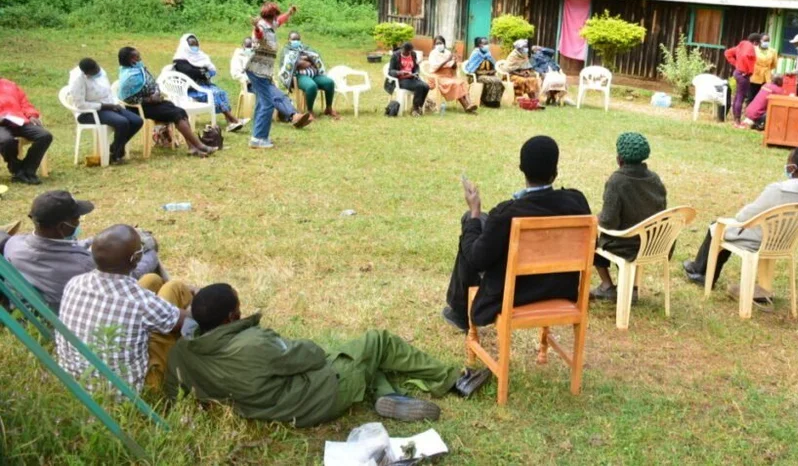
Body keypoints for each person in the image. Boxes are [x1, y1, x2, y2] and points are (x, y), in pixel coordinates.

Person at [165, 283, 491, 425]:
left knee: (361, 359)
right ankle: (455, 380)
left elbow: (175, 395)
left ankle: (386, 396)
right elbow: (311, 356)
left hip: (268, 406)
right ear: (231, 318)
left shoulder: (181, 355)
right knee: (376, 342)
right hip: (316, 398)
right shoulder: (254, 343)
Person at [442, 136, 591, 332]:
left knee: (471, 222)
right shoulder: (577, 203)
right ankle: (459, 309)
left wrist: (475, 212)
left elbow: (476, 259)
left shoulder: (507, 215)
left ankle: (460, 311)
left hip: (515, 292)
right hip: (560, 289)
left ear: (522, 168)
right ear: (555, 172)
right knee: (478, 222)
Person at [682, 146, 798, 307]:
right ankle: (704, 271)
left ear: (793, 168)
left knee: (717, 227)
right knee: (726, 229)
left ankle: (701, 272)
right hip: (785, 241)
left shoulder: (778, 190)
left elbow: (743, 217)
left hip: (758, 239)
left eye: (788, 162)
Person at [56, 224, 192, 392]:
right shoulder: (139, 301)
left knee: (151, 279)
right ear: (135, 259)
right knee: (175, 287)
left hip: (77, 383)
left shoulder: (74, 283)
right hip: (127, 391)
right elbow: (187, 320)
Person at [3, 191, 162, 312]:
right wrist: (149, 251)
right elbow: (126, 275)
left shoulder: (14, 244)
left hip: (35, 309)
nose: (79, 222)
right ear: (62, 227)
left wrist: (99, 239)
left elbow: (70, 246)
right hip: (82, 312)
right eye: (76, 219)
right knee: (151, 278)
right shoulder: (83, 266)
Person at [590, 133, 667, 301]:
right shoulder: (654, 179)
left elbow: (608, 222)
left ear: (619, 158)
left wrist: (596, 219)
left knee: (592, 236)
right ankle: (631, 287)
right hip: (655, 243)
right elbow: (661, 210)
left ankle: (607, 286)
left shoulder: (617, 181)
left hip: (628, 245)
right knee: (629, 231)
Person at [117, 47, 218, 158]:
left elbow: (151, 84)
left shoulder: (137, 70)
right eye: (138, 56)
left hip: (154, 103)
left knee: (181, 111)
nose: (140, 58)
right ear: (132, 60)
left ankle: (192, 148)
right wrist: (151, 99)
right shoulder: (129, 77)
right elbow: (128, 99)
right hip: (141, 108)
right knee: (176, 115)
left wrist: (156, 94)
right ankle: (200, 145)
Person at [246, 2, 311, 149]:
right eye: (276, 15)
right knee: (268, 103)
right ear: (271, 15)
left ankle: (257, 135)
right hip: (257, 70)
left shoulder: (271, 24)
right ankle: (259, 138)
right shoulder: (262, 27)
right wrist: (256, 27)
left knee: (261, 103)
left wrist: (289, 13)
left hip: (263, 71)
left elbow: (280, 21)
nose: (277, 19)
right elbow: (259, 35)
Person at [69, 58, 144, 164]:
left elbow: (108, 91)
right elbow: (80, 104)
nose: (98, 71)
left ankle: (114, 147)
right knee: (122, 122)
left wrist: (114, 104)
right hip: (89, 112)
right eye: (94, 71)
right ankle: (115, 155)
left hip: (109, 105)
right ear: (86, 74)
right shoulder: (77, 80)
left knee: (137, 121)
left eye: (97, 67)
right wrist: (104, 106)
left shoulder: (99, 71)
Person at [172, 34, 248, 133]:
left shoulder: (200, 55)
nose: (194, 46)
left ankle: (229, 121)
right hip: (191, 89)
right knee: (214, 94)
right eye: (191, 44)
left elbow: (211, 71)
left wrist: (201, 72)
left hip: (203, 85)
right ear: (185, 45)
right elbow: (190, 73)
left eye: (195, 43)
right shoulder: (180, 59)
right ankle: (234, 119)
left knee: (221, 92)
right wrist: (202, 71)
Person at [0, 76, 52, 185]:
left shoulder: (10, 85)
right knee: (6, 141)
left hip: (18, 120)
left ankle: (28, 170)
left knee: (44, 135)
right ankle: (17, 169)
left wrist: (32, 115)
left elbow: (24, 103)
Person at [278, 32, 340, 119]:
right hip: (299, 76)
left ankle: (329, 108)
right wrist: (303, 61)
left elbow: (315, 57)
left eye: (297, 39)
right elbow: (291, 64)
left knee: (329, 82)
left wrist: (305, 60)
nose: (296, 41)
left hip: (313, 74)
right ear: (289, 40)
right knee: (311, 86)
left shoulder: (305, 48)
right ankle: (309, 111)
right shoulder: (286, 51)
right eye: (293, 39)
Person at [424, 36, 477, 113]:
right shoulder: (433, 54)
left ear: (444, 44)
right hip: (438, 76)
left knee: (462, 82)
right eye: (437, 43)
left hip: (449, 75)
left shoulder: (448, 53)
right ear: (434, 45)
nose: (439, 45)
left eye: (440, 43)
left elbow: (453, 67)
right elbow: (435, 67)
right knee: (455, 84)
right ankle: (466, 106)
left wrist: (455, 62)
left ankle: (470, 104)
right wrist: (446, 61)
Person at [724, 32, 761, 125]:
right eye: (758, 43)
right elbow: (746, 56)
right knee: (740, 97)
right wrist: (748, 70)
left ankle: (735, 118)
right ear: (755, 42)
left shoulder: (742, 45)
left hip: (737, 72)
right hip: (743, 74)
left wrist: (736, 64)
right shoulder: (750, 47)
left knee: (737, 96)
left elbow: (727, 53)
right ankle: (737, 120)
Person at [388, 41, 431, 116]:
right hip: (401, 80)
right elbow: (390, 71)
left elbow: (416, 67)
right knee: (419, 86)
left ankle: (418, 107)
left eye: (409, 52)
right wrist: (399, 72)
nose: (407, 54)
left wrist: (416, 73)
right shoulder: (395, 55)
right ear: (402, 49)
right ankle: (415, 109)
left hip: (412, 77)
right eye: (406, 52)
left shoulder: (413, 54)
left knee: (426, 86)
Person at [464, 37, 504, 108]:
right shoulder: (476, 54)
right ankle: (487, 101)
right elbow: (471, 69)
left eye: (487, 43)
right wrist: (484, 73)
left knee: (499, 81)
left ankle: (496, 102)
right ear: (479, 45)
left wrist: (492, 71)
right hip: (477, 76)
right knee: (491, 81)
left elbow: (493, 66)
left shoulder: (488, 54)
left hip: (489, 75)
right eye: (484, 44)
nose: (486, 45)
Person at [748, 34, 779, 103]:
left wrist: (766, 69)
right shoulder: (754, 49)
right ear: (760, 41)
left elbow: (774, 64)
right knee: (751, 95)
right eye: (764, 40)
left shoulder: (773, 51)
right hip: (755, 75)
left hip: (766, 77)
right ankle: (749, 111)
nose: (766, 42)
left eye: (768, 41)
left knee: (763, 96)